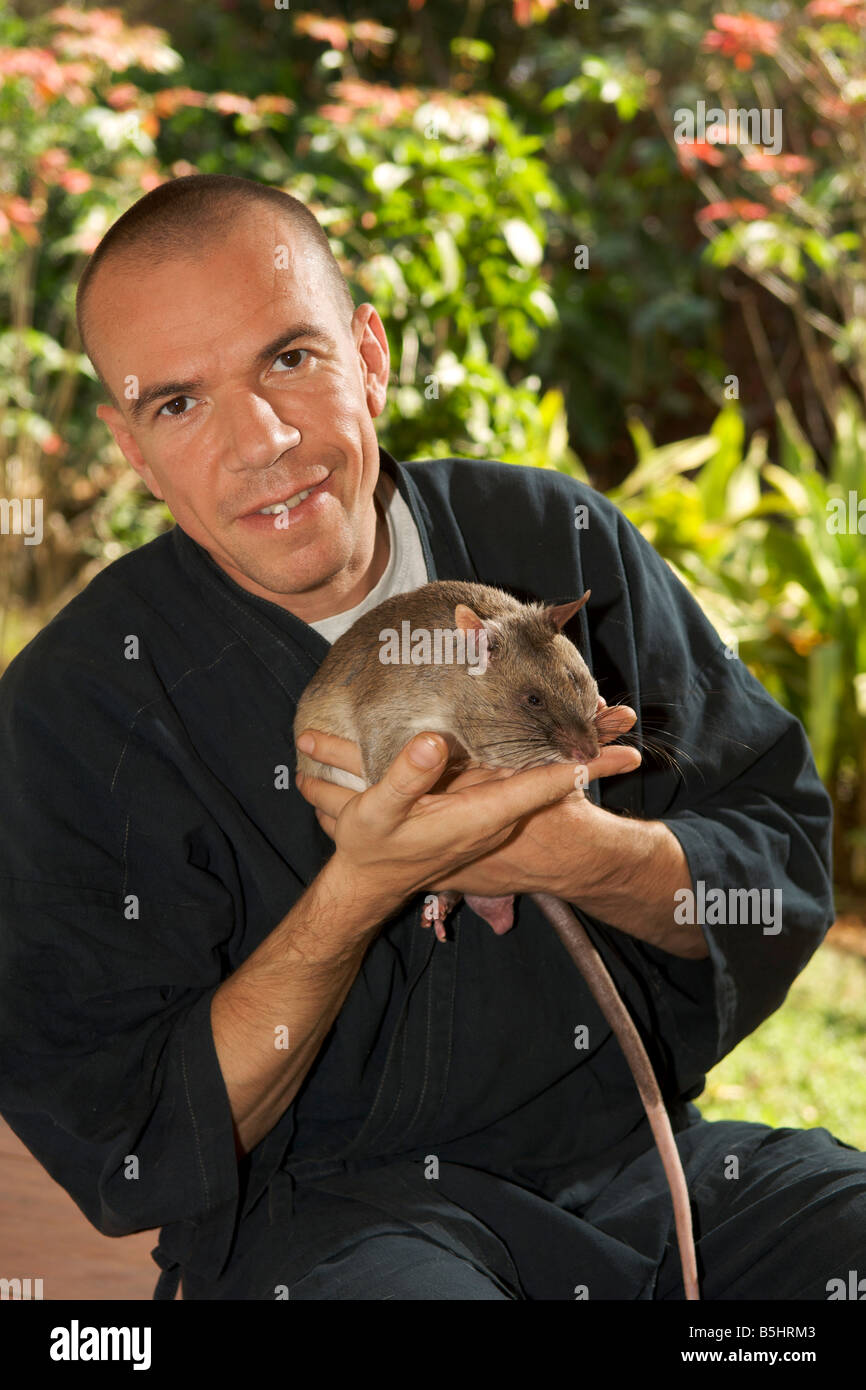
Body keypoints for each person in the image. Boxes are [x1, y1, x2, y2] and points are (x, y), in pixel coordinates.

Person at [0, 174, 862, 1303]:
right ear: (128, 447)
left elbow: (778, 873)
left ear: (369, 353)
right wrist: (357, 892)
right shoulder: (76, 705)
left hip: (645, 1168)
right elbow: (131, 1139)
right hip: (322, 1226)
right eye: (178, 403)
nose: (260, 440)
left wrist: (579, 855)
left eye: (289, 359)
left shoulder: (557, 542)